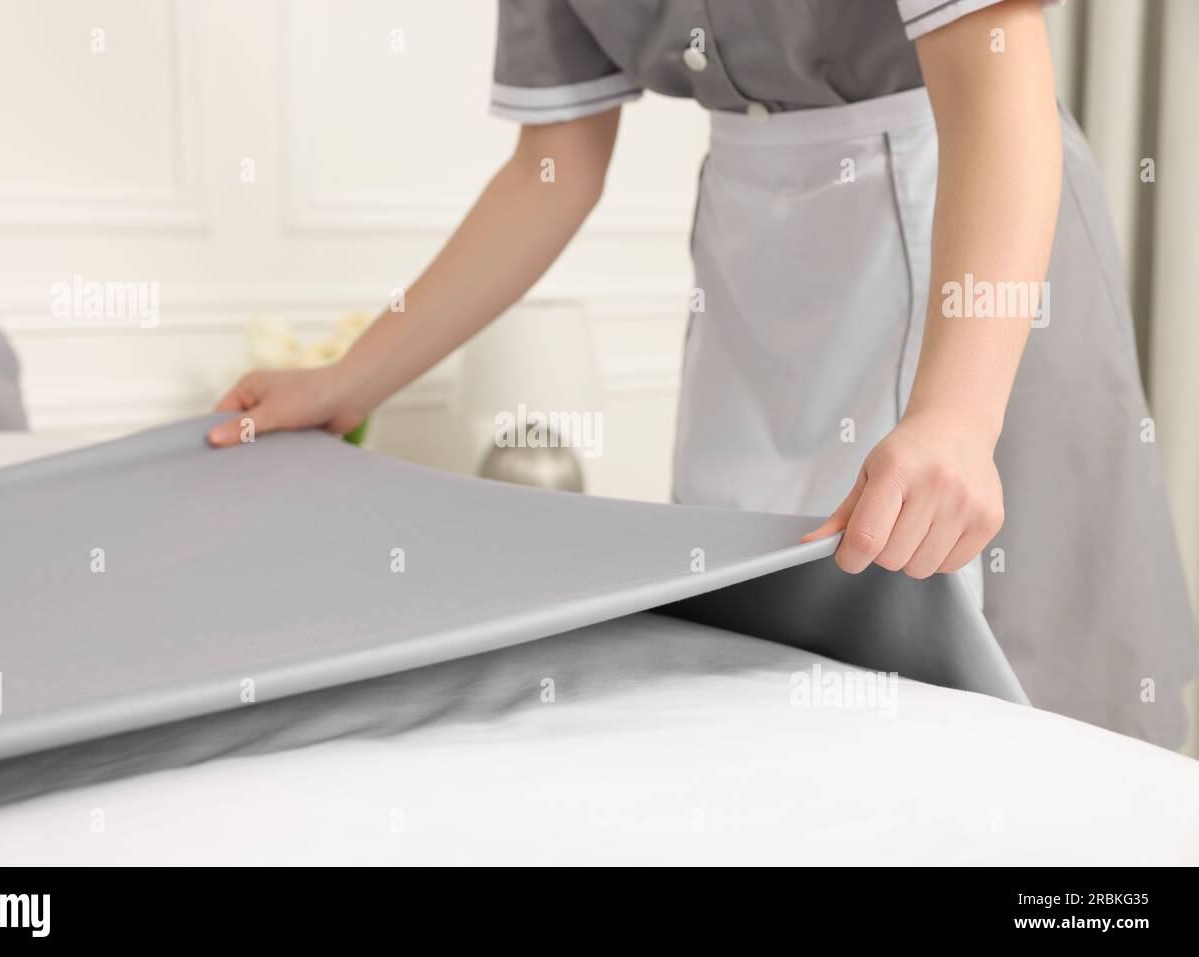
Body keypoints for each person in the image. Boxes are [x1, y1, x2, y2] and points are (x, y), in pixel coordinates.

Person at [207, 0, 1195, 747]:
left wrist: (955, 420)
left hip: (973, 235)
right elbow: (552, 164)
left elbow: (996, 92)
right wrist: (351, 381)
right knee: (761, 671)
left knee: (1020, 691)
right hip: (758, 256)